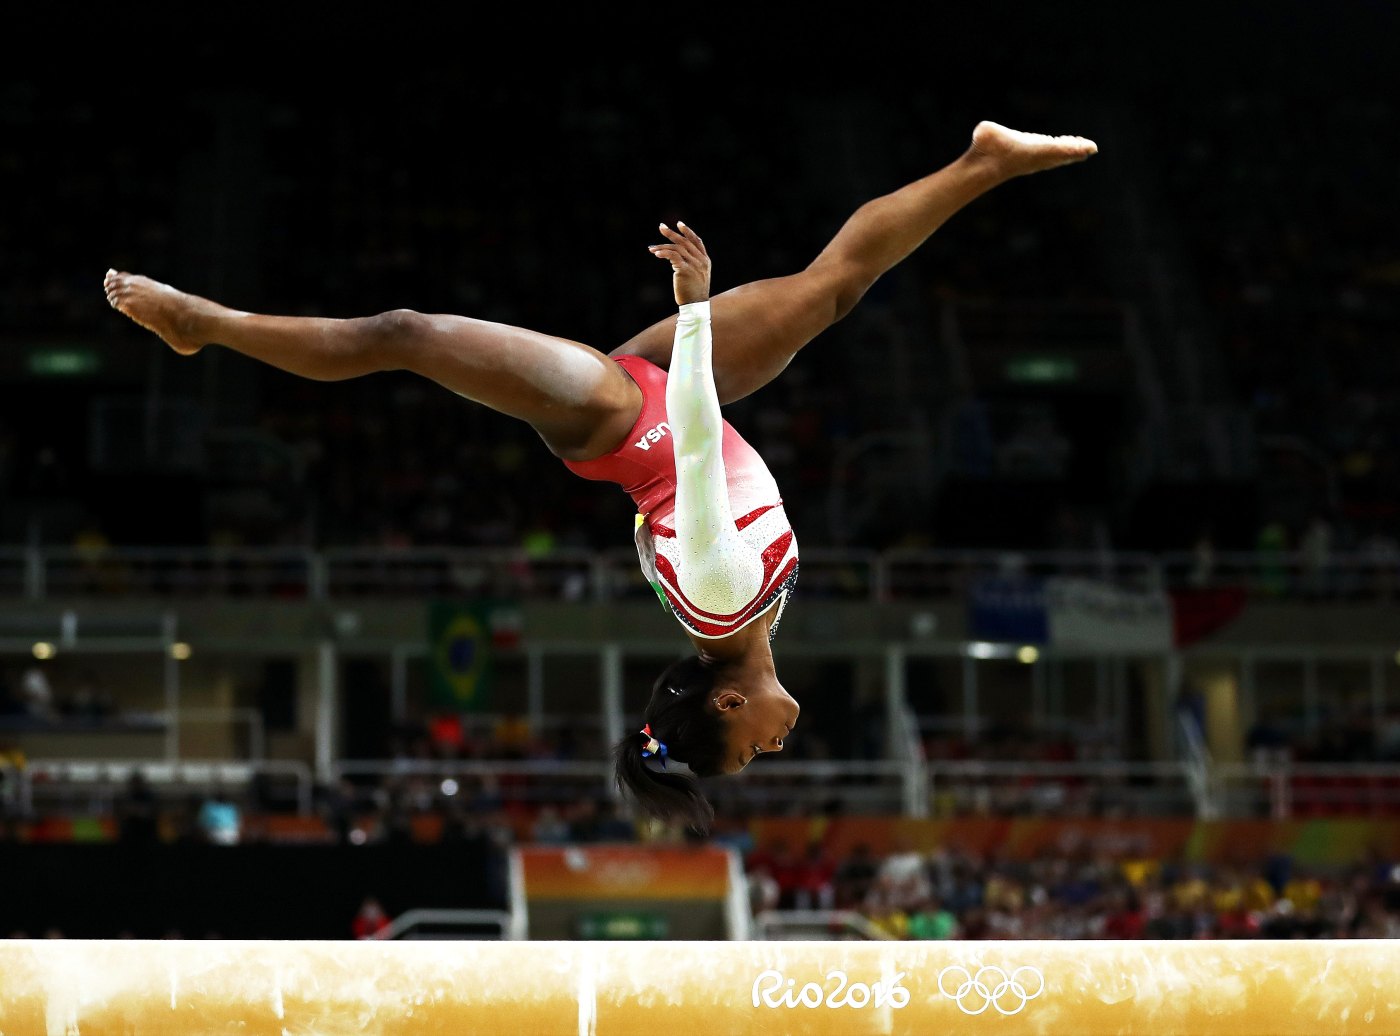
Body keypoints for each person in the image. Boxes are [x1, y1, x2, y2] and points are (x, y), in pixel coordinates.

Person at [104, 121, 1098, 830]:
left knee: (404, 335)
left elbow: (703, 445)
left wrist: (696, 308)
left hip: (623, 416)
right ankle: (983, 160)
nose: (775, 746)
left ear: (723, 704)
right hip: (663, 406)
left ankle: (207, 325)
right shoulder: (749, 616)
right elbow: (671, 496)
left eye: (751, 749)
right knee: (830, 289)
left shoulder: (721, 601)